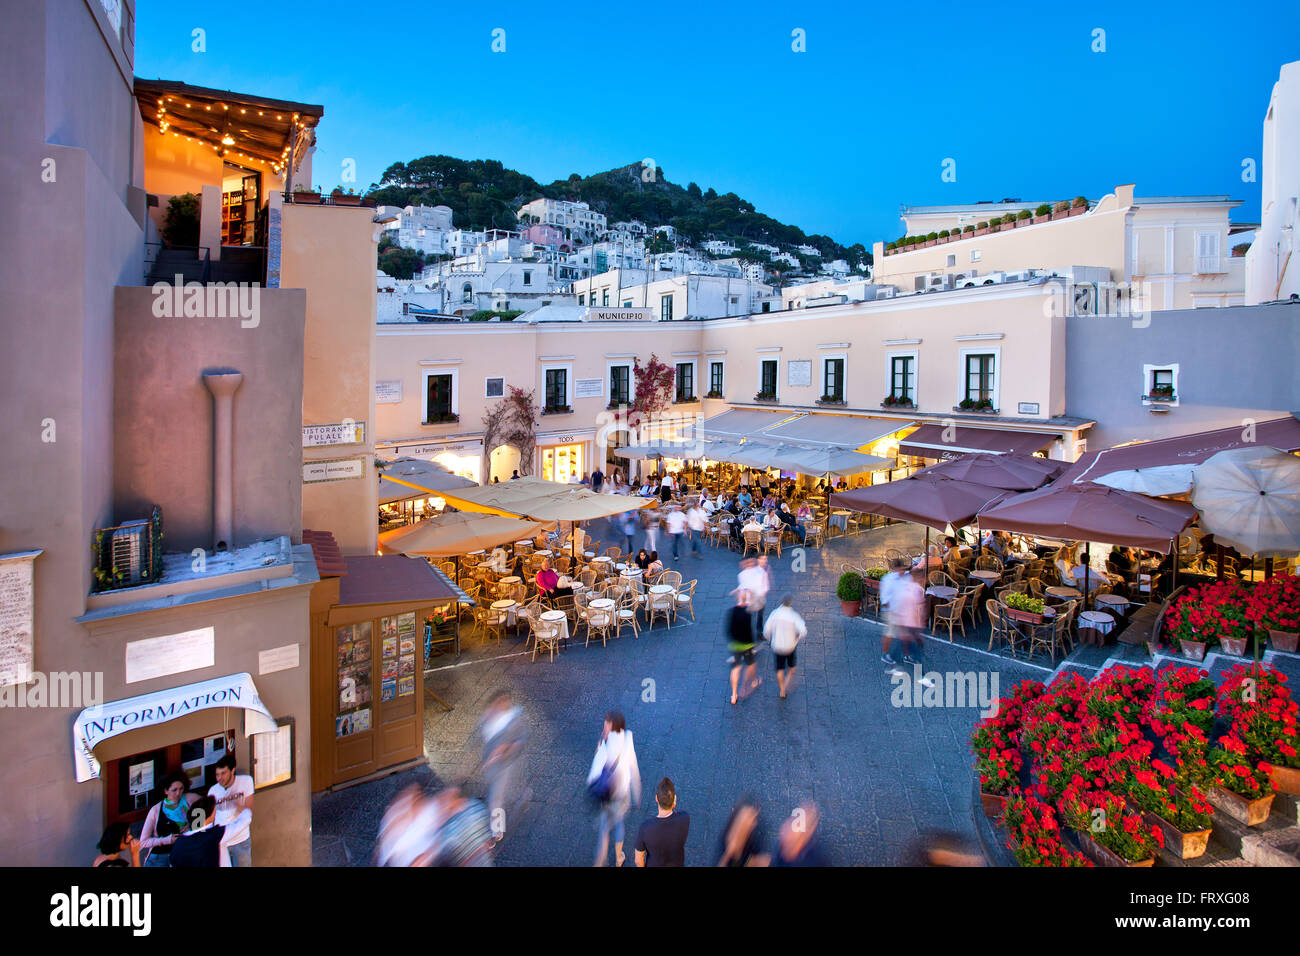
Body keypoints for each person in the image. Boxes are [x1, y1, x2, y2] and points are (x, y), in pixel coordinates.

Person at [587, 710, 641, 867]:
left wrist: (597, 753)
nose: (604, 727)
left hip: (606, 795)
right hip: (622, 794)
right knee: (619, 823)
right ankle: (619, 858)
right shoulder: (628, 738)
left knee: (604, 829)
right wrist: (637, 792)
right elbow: (634, 768)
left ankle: (599, 861)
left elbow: (593, 777)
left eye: (606, 724)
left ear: (612, 726)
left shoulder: (604, 747)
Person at [479, 690, 527, 844]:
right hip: (491, 764)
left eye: (501, 703)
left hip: (504, 764)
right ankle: (523, 794)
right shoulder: (487, 717)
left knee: (496, 798)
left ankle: (496, 831)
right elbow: (481, 737)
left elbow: (521, 739)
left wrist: (505, 750)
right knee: (504, 792)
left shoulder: (513, 720)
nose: (498, 706)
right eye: (496, 703)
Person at [884, 569, 935, 686]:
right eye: (923, 579)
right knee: (917, 652)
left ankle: (894, 663)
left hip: (909, 625)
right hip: (909, 626)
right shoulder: (914, 591)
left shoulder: (911, 590)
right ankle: (920, 676)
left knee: (904, 647)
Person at [140, 771, 199, 866]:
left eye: (181, 789)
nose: (178, 793)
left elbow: (203, 825)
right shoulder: (155, 810)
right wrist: (168, 840)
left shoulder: (190, 800)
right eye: (174, 790)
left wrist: (191, 829)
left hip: (182, 853)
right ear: (166, 791)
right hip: (160, 857)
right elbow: (143, 842)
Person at [428, 784, 495, 866]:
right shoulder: (475, 807)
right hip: (478, 858)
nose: (444, 805)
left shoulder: (473, 809)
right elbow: (488, 839)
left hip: (475, 859)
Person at [209, 753, 254, 867]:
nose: (220, 778)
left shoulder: (246, 781)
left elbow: (249, 811)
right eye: (217, 774)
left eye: (223, 773)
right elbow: (210, 819)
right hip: (222, 842)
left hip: (241, 839)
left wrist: (236, 803)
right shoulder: (213, 791)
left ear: (232, 770)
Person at [634, 777, 690, 867]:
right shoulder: (685, 818)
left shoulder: (646, 828)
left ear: (656, 799)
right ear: (674, 800)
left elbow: (638, 860)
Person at [764, 596, 807, 700]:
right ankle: (785, 685)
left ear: (781, 602)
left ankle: (782, 690)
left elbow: (766, 630)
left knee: (780, 669)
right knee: (792, 669)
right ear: (790, 603)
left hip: (777, 646)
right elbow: (803, 631)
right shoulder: (794, 616)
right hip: (790, 647)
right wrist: (797, 638)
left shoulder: (774, 614)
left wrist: (770, 639)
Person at [168, 796, 227, 868]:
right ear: (210, 816)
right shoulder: (214, 834)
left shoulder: (179, 842)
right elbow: (241, 824)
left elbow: (172, 862)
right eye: (215, 812)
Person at [727, 589, 759, 705]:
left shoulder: (732, 611)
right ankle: (749, 683)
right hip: (747, 644)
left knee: (735, 669)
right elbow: (749, 630)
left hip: (735, 645)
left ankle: (734, 695)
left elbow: (729, 630)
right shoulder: (748, 612)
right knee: (751, 664)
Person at [717, 796, 767, 867]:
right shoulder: (727, 841)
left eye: (754, 818)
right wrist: (729, 853)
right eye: (752, 819)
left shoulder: (755, 839)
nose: (755, 823)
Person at [738, 555, 771, 642]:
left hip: (759, 598)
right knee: (749, 618)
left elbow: (765, 584)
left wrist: (762, 592)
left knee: (760, 616)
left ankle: (759, 632)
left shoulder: (760, 571)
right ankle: (749, 635)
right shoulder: (742, 574)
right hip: (749, 601)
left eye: (751, 562)